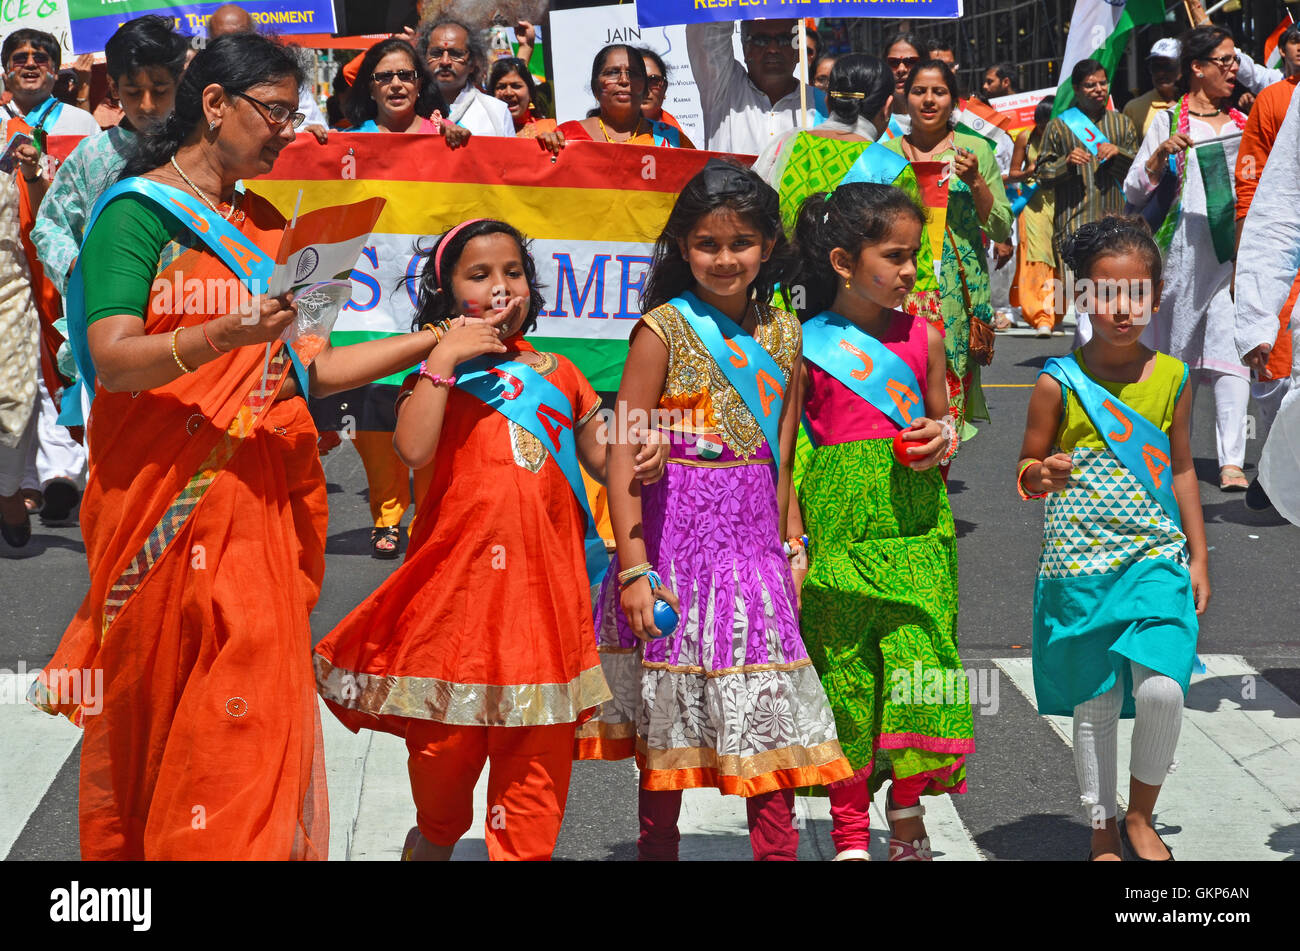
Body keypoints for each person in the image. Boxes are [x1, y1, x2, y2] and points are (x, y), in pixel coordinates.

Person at [26, 31, 467, 859]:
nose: (284, 133)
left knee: (250, 698)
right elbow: (114, 358)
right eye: (273, 113)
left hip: (257, 507)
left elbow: (318, 367)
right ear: (215, 104)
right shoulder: (135, 212)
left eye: (293, 118)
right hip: (159, 506)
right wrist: (223, 331)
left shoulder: (278, 228)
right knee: (157, 711)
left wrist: (437, 340)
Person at [314, 218, 667, 861]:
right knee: (443, 762)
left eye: (513, 273)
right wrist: (444, 356)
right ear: (449, 297)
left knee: (536, 770)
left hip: (545, 606)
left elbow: (599, 455)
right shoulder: (433, 375)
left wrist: (639, 449)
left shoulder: (561, 372)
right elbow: (413, 449)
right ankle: (434, 839)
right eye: (479, 277)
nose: (502, 288)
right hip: (456, 606)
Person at [581, 160, 851, 861]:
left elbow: (782, 454)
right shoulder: (662, 329)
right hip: (673, 551)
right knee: (665, 735)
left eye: (740, 243)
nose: (724, 259)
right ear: (681, 247)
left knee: (770, 728)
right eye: (706, 243)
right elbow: (623, 450)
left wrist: (793, 544)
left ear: (767, 245)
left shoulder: (787, 333)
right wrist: (635, 569)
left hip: (756, 554)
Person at [1017, 217, 1207, 861]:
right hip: (1079, 566)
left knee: (1162, 687)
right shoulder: (1057, 382)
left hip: (1155, 556)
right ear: (1081, 297)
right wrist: (1042, 473)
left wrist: (1200, 555)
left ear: (1157, 296)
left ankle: (1141, 815)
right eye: (1105, 293)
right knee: (1095, 698)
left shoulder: (1174, 379)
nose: (1121, 308)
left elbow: (1181, 469)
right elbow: (1026, 469)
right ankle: (1101, 822)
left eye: (1136, 293)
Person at [790, 182, 969, 862]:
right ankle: (846, 834)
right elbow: (789, 444)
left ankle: (906, 802)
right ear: (842, 261)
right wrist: (795, 538)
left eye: (913, 257)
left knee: (925, 664)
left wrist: (941, 437)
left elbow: (947, 421)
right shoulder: (802, 344)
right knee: (847, 678)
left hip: (916, 526)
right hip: (838, 527)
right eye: (894, 257)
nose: (909, 272)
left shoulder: (924, 333)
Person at [338, 37, 468, 558]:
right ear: (370, 88)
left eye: (406, 75)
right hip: (369, 300)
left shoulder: (448, 139)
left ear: (421, 84)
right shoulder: (346, 144)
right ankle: (387, 516)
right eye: (385, 76)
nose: (396, 84)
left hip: (427, 293)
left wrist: (465, 145)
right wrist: (316, 148)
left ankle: (434, 510)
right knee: (376, 411)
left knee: (433, 395)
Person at [1124, 25, 1251, 492]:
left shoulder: (1243, 127)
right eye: (1224, 61)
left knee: (1229, 356)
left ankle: (1231, 461)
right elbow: (1134, 190)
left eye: (1235, 61)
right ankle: (1172, 453)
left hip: (1225, 260)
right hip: (1177, 260)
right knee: (1176, 360)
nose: (1233, 70)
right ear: (1197, 69)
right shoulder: (1167, 122)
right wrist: (1159, 156)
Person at [0, 28, 102, 545]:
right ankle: (17, 486)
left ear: (57, 69)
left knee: (64, 364)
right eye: (20, 57)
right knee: (17, 378)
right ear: (5, 70)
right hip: (9, 268)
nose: (31, 64)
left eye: (42, 57)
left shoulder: (80, 122)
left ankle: (61, 475)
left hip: (62, 258)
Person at [882, 60, 1013, 442]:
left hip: (957, 294)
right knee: (899, 389)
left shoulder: (975, 151)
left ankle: (936, 472)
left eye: (938, 92)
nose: (928, 99)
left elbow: (1001, 225)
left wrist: (975, 181)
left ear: (953, 100)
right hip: (897, 289)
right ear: (906, 98)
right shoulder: (886, 154)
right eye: (919, 91)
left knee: (947, 395)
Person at [1232, 25, 1300, 508]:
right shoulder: (1279, 101)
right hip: (1289, 268)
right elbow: (1276, 209)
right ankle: (1280, 468)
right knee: (1276, 366)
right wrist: (1255, 306)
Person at [1036, 57, 1138, 341]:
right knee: (1086, 291)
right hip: (1075, 221)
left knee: (1111, 291)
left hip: (1116, 220)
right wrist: (1065, 163)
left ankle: (1099, 350)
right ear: (1077, 90)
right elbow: (1041, 174)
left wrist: (1120, 154)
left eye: (1102, 83)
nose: (1098, 89)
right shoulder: (1059, 127)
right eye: (1090, 85)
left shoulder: (1122, 124)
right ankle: (1087, 350)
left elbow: (1142, 172)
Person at [753, 53, 896, 236]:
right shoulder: (894, 167)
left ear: (828, 100)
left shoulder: (785, 143)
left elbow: (753, 212)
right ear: (887, 107)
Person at [206, 2, 329, 143]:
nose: (233, 47)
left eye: (240, 38)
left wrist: (305, 136)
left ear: (254, 37)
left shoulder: (284, 79)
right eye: (223, 40)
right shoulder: (198, 79)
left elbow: (311, 128)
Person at [686, 17, 811, 154]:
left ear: (798, 49)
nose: (773, 49)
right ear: (746, 49)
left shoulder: (820, 107)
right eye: (761, 40)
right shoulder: (724, 90)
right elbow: (708, 27)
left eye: (784, 40)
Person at [538, 45, 693, 153]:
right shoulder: (568, 135)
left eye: (632, 73)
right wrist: (545, 147)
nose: (624, 80)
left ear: (645, 89)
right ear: (595, 88)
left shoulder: (672, 140)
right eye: (612, 72)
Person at [1008, 98, 1060, 336]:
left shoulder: (1064, 137)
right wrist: (1027, 172)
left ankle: (1054, 312)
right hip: (1033, 203)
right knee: (1037, 257)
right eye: (1039, 124)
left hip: (1060, 202)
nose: (1042, 129)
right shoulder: (1024, 138)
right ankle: (1041, 316)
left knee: (1057, 258)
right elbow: (1013, 173)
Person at [417, 16, 514, 136]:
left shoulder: (497, 111)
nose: (445, 61)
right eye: (436, 53)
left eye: (455, 54)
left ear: (473, 63)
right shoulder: (409, 108)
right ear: (423, 58)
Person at [1124, 39, 1182, 138]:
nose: (1161, 73)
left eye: (1167, 66)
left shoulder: (1197, 103)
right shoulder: (1134, 108)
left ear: (1181, 68)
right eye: (1156, 67)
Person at [490, 56, 556, 137]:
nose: (508, 93)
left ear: (530, 93)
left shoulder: (549, 129)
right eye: (501, 87)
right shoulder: (482, 131)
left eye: (516, 86)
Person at [637, 48, 683, 132]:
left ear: (664, 88)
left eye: (653, 80)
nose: (645, 89)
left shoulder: (687, 137)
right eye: (638, 80)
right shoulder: (606, 136)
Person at [882, 32, 921, 125]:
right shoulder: (873, 121)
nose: (901, 69)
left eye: (910, 61)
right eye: (893, 62)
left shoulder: (954, 119)